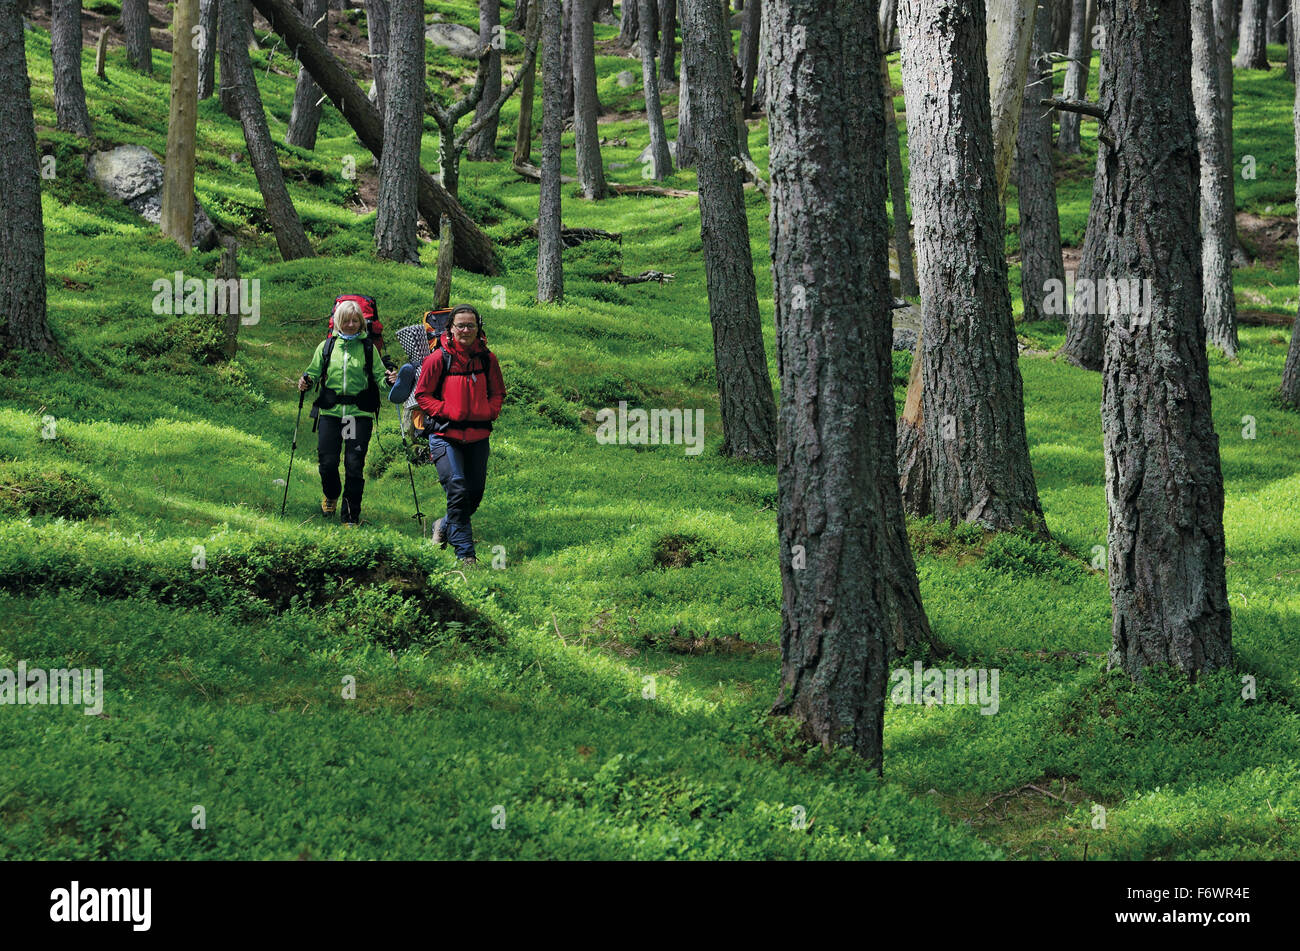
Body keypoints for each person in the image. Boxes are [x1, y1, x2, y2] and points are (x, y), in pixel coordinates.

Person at [413, 304, 505, 563]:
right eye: (460, 325)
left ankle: (443, 526)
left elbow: (498, 392)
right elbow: (422, 395)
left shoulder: (488, 359)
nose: (465, 330)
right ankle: (466, 556)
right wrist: (445, 410)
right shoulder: (438, 359)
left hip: (478, 436)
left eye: (470, 325)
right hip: (444, 436)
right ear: (450, 329)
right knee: (457, 489)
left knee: (474, 495)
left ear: (478, 328)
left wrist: (490, 410)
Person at [298, 300, 397, 526]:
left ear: (361, 322)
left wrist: (390, 380)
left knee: (354, 464)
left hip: (357, 415)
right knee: (328, 463)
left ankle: (350, 516)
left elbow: (380, 378)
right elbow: (311, 373)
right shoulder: (326, 347)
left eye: (355, 321)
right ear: (337, 323)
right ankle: (331, 495)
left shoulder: (368, 348)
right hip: (331, 413)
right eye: (346, 321)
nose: (351, 325)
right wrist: (304, 381)